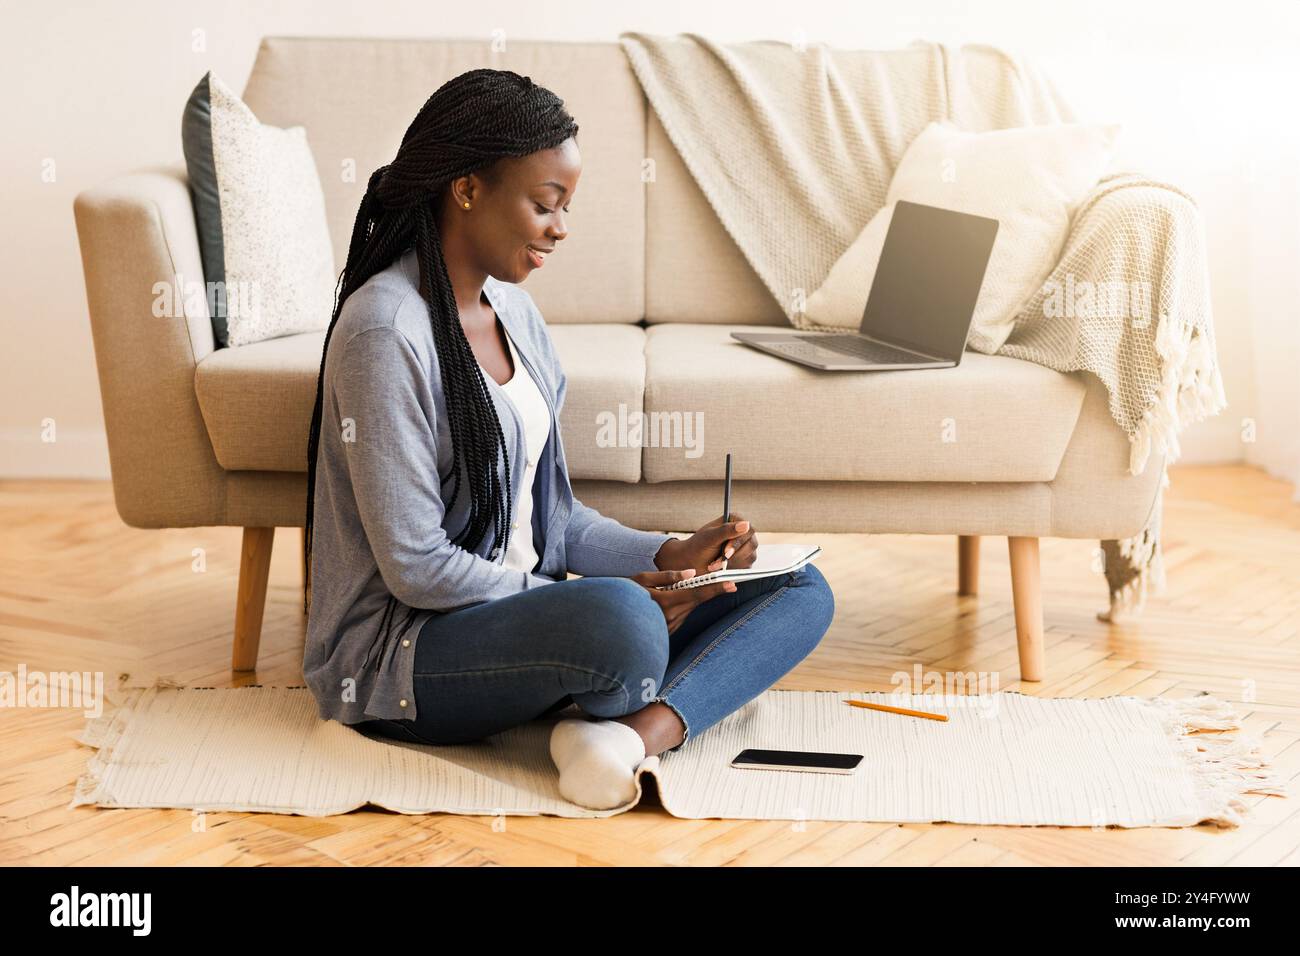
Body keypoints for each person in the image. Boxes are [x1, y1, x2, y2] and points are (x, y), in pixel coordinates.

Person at [303, 68, 835, 810]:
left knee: (796, 586)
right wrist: (589, 600)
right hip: (405, 656)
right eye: (545, 204)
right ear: (466, 189)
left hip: (528, 618)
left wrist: (667, 555)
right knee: (622, 625)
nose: (561, 228)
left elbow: (554, 519)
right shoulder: (385, 330)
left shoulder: (516, 316)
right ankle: (615, 680)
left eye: (566, 207)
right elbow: (416, 568)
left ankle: (623, 737)